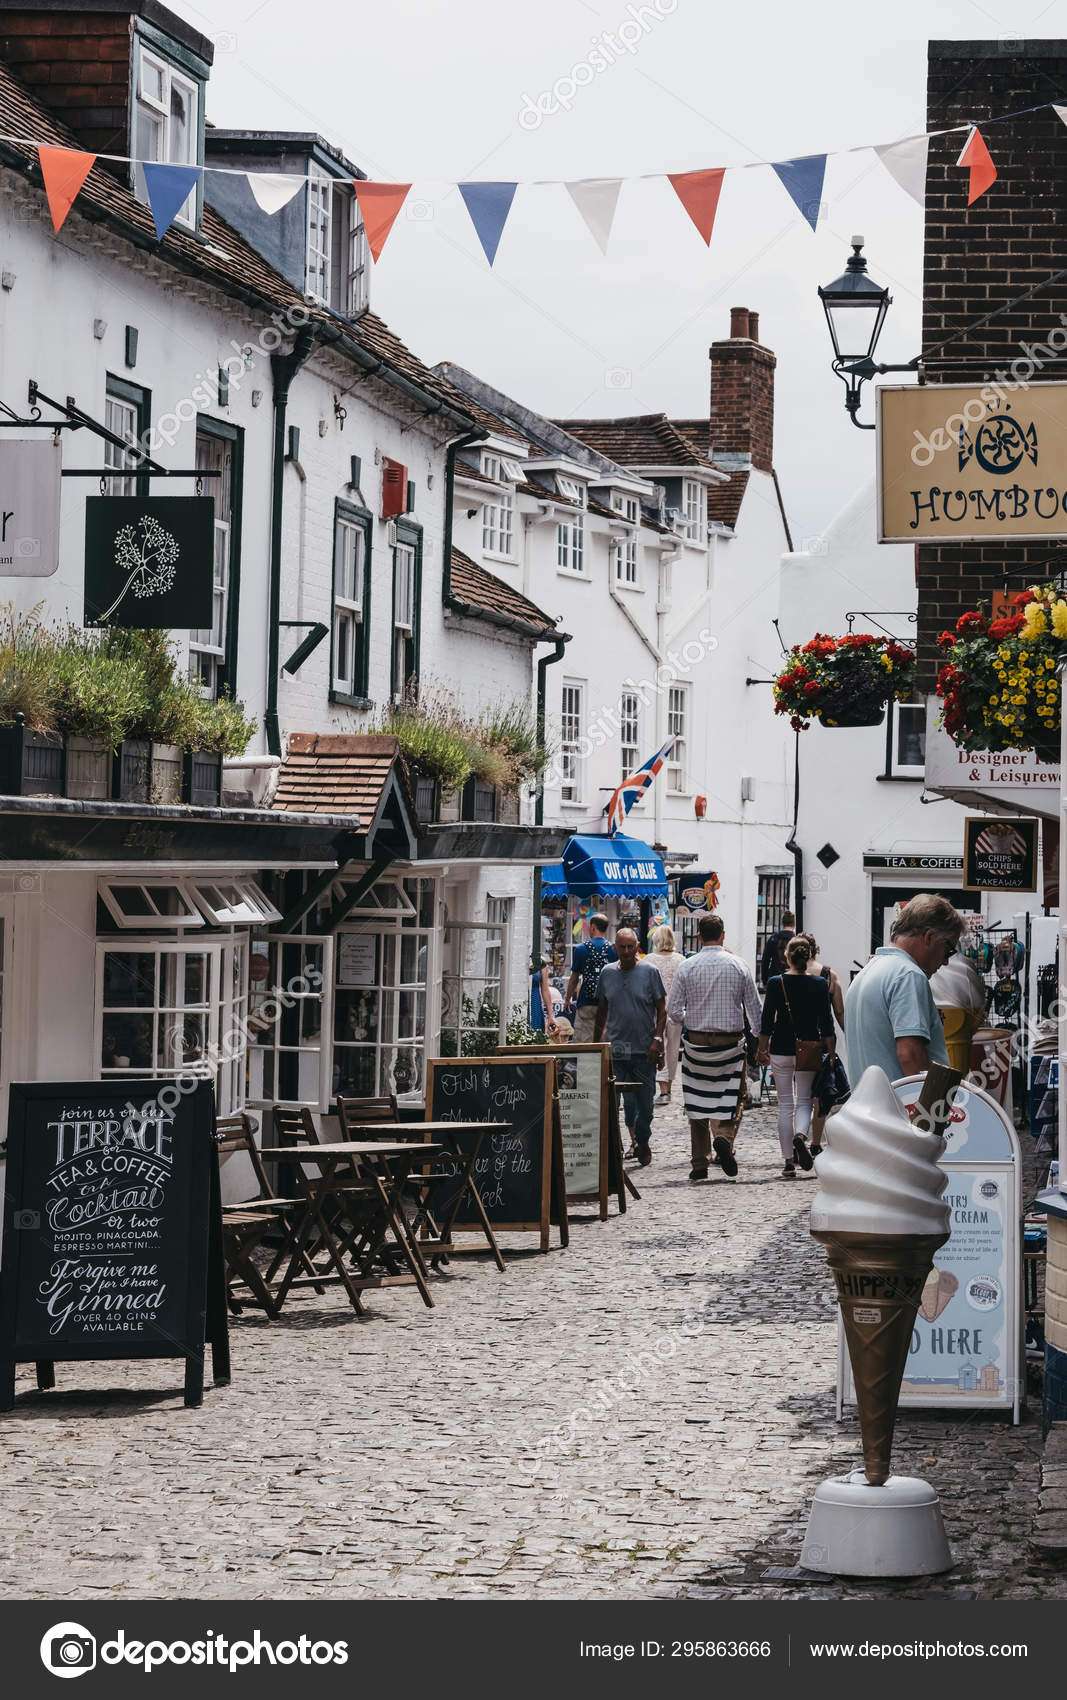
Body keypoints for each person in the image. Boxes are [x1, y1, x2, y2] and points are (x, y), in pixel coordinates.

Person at [667, 913, 762, 1182]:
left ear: (699, 936)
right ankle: (723, 1136)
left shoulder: (687, 967)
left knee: (696, 1100)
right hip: (730, 1043)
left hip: (696, 1043)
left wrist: (693, 1018)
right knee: (735, 1095)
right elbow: (755, 1010)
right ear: (723, 935)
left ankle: (699, 1162)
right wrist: (758, 1039)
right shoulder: (738, 966)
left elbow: (673, 1011)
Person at [844, 893, 964, 1083]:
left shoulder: (867, 972)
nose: (946, 961)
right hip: (901, 1109)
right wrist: (932, 1110)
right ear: (930, 937)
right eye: (948, 949)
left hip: (867, 1106)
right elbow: (911, 1055)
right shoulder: (908, 975)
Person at [758, 935, 836, 1179]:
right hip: (810, 1047)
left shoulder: (775, 983)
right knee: (804, 1100)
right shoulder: (820, 984)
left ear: (787, 957)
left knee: (785, 1105)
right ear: (809, 955)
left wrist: (762, 1049)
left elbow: (766, 1020)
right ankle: (801, 1136)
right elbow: (827, 1022)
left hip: (781, 1047)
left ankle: (788, 1162)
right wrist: (831, 1052)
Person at [594, 927, 665, 1166]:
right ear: (615, 948)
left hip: (644, 1050)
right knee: (613, 1102)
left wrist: (657, 1040)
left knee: (644, 1104)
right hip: (617, 1049)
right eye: (622, 947)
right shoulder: (607, 973)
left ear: (637, 947)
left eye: (630, 946)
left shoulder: (650, 972)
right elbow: (602, 1011)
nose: (626, 951)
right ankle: (616, 1145)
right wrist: (597, 1045)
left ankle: (642, 1139)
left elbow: (661, 1009)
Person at [797, 930, 845, 1156]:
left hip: (796, 1042)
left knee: (800, 1095)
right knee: (821, 1093)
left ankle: (798, 1137)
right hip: (823, 1042)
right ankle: (816, 1142)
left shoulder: (790, 975)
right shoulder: (829, 975)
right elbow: (839, 1012)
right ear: (815, 950)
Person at [929, 944, 987, 1073]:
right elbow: (978, 1005)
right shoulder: (964, 965)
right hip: (958, 1024)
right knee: (956, 1081)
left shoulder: (916, 965)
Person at [649, 923, 687, 1104]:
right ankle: (668, 1088)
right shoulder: (681, 960)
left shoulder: (648, 960)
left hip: (654, 1012)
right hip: (675, 1010)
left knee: (658, 1048)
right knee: (672, 1049)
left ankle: (663, 1089)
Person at [564, 914, 617, 1042]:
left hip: (586, 1002)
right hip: (607, 1002)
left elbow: (574, 978)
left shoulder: (581, 949)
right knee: (604, 1040)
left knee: (584, 1041)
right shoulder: (613, 950)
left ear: (593, 928)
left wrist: (567, 999)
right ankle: (603, 1062)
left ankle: (587, 1062)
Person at [759, 908, 796, 989]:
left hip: (775, 979)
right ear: (794, 924)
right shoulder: (797, 940)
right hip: (794, 980)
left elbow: (765, 960)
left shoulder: (773, 939)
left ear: (783, 923)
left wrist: (765, 981)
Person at [529, 958, 559, 1038]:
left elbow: (545, 989)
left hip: (535, 1005)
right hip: (520, 1004)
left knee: (536, 1036)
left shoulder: (540, 961)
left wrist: (551, 1015)